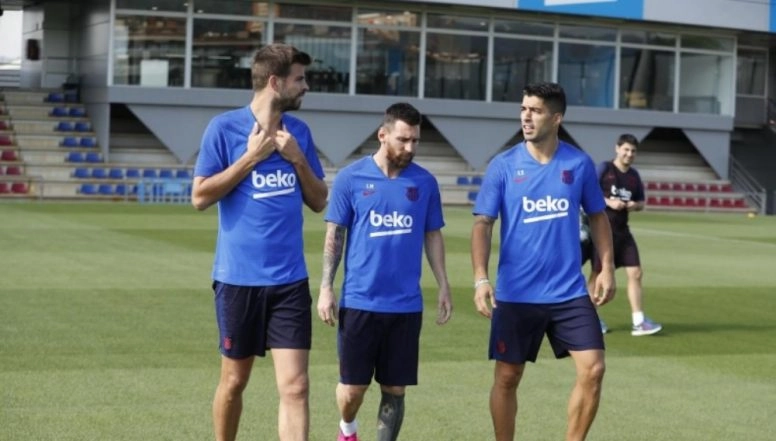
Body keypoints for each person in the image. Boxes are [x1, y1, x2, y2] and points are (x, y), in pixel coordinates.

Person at [192, 43, 328, 441]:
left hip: (289, 281)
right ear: (275, 82)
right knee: (234, 381)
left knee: (296, 387)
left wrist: (297, 158)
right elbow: (199, 197)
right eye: (299, 79)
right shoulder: (223, 129)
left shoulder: (299, 133)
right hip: (238, 279)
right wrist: (250, 158)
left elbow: (319, 200)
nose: (306, 87)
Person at [471, 82, 616, 441]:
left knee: (593, 369)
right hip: (517, 294)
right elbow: (483, 224)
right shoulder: (503, 166)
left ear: (556, 118)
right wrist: (480, 278)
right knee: (508, 377)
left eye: (535, 110)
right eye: (523, 109)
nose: (526, 116)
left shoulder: (578, 164)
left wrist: (606, 267)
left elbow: (598, 216)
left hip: (568, 292)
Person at [317, 102, 453, 441]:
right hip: (360, 302)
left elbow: (432, 234)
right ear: (382, 135)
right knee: (353, 390)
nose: (410, 148)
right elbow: (335, 234)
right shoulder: (351, 178)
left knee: (395, 389)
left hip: (405, 306)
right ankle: (347, 428)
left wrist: (443, 284)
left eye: (415, 141)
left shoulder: (425, 183)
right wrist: (326, 287)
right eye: (403, 140)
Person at [587, 134, 662, 336]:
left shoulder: (634, 176)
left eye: (633, 151)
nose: (629, 154)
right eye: (626, 149)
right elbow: (588, 192)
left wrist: (634, 205)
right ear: (617, 148)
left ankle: (639, 322)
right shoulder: (605, 169)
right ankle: (591, 318)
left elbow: (641, 202)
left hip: (623, 231)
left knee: (636, 273)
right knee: (598, 274)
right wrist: (609, 202)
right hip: (602, 231)